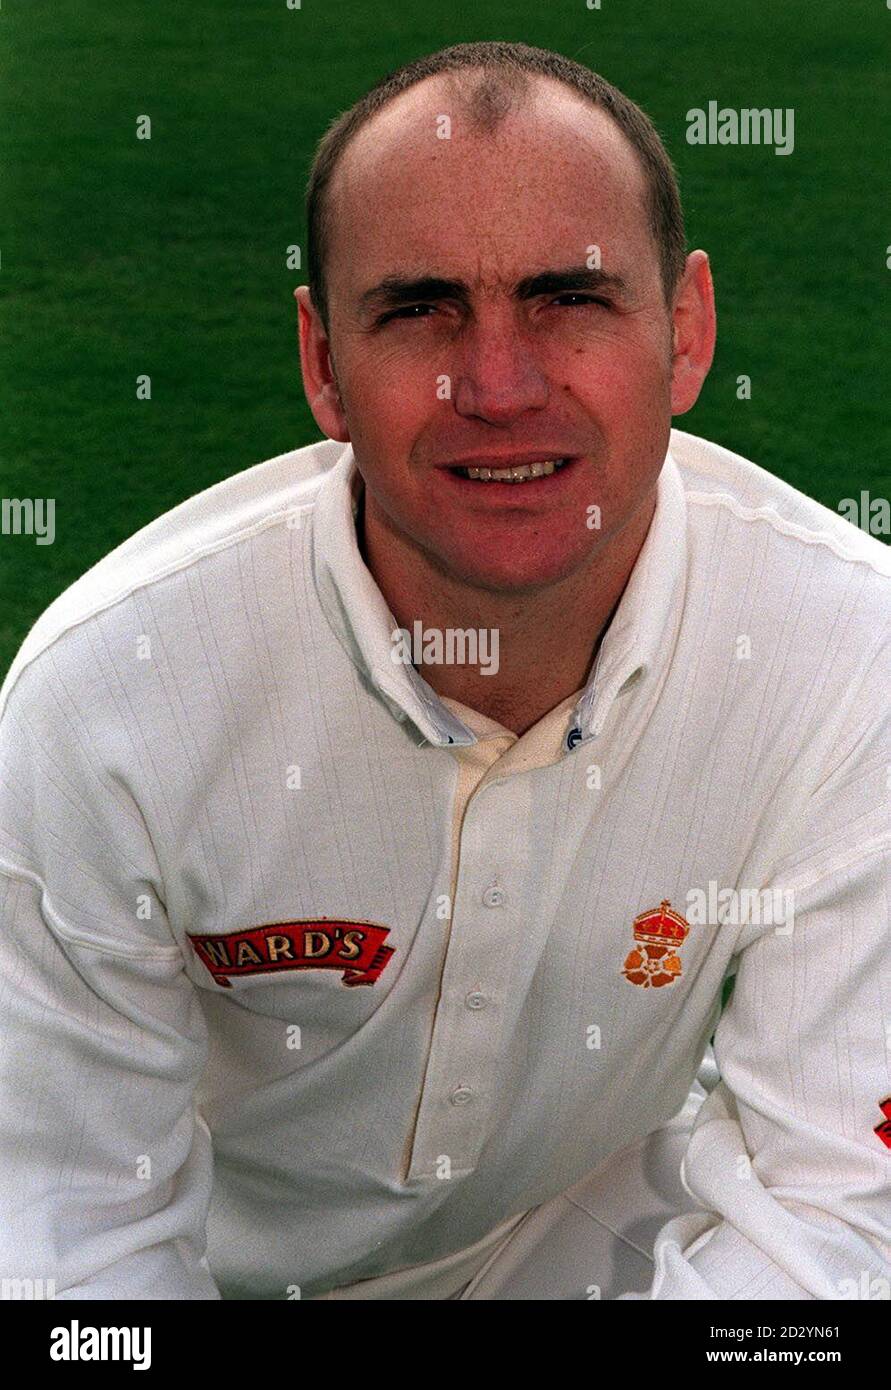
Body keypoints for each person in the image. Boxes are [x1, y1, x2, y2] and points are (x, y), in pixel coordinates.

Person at [0, 41, 888, 1301]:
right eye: (420, 308)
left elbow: (831, 1229)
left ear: (686, 333)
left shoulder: (856, 661)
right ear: (323, 365)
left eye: (569, 299)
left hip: (592, 1232)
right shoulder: (108, 699)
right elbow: (65, 1241)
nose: (499, 384)